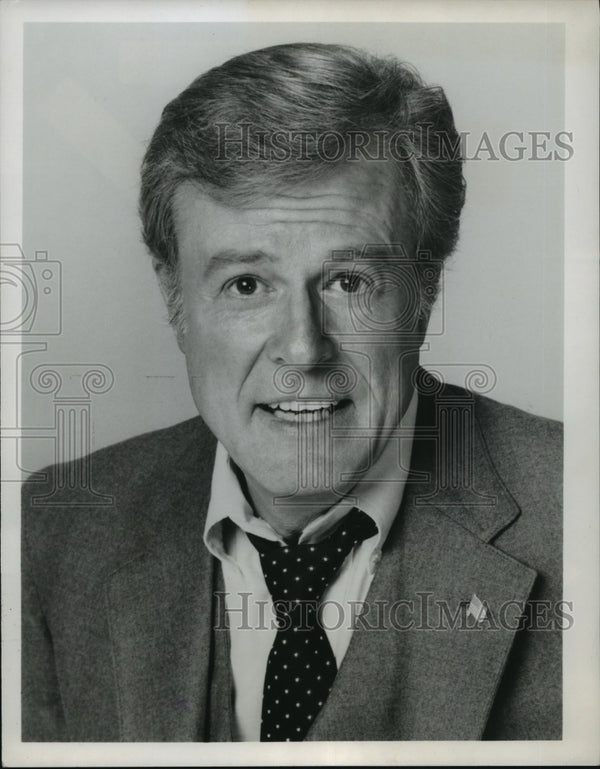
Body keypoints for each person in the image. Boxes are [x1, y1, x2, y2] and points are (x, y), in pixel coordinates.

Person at [22, 42, 562, 742]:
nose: (304, 349)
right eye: (247, 284)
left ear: (424, 294)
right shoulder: (52, 533)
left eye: (349, 282)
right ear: (175, 300)